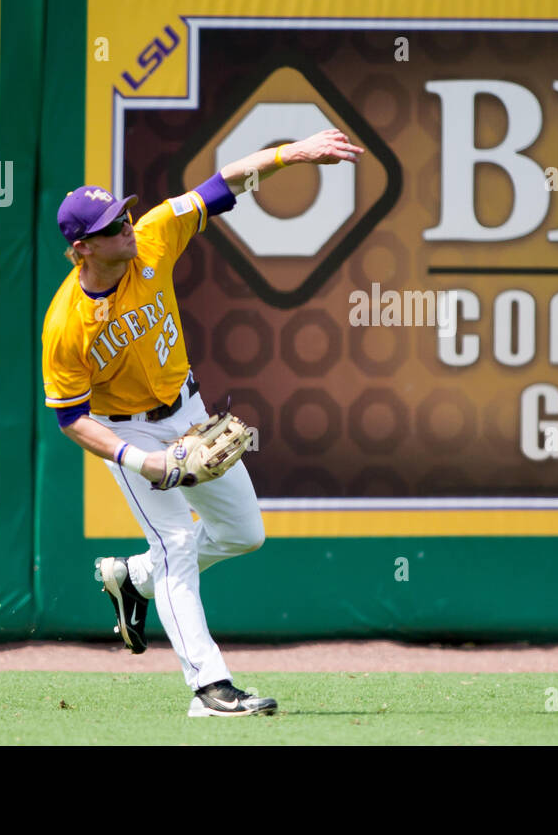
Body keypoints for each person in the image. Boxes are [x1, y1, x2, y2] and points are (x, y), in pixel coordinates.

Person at [41, 129, 364, 717]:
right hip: (129, 431)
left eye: (126, 217)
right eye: (113, 227)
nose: (128, 229)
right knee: (177, 545)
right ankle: (209, 688)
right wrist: (143, 462)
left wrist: (294, 153)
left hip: (190, 414)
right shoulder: (66, 325)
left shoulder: (155, 237)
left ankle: (134, 579)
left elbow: (224, 182)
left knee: (245, 534)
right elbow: (71, 420)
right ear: (83, 247)